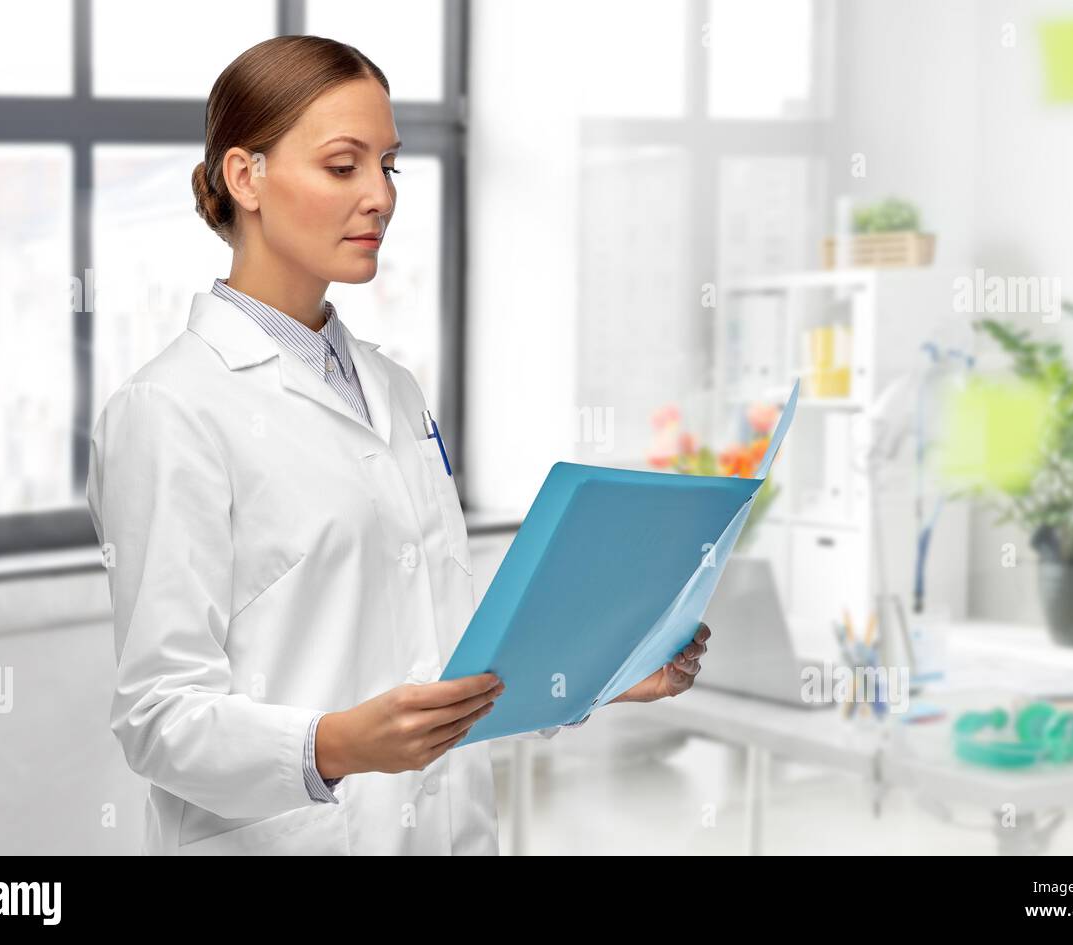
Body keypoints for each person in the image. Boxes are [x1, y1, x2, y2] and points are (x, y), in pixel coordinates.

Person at [86, 35, 709, 855]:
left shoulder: (393, 388)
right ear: (247, 178)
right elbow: (159, 718)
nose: (380, 195)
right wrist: (335, 745)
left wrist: (594, 673)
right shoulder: (169, 408)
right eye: (345, 166)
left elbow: (437, 641)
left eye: (390, 165)